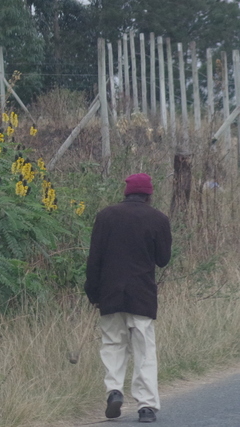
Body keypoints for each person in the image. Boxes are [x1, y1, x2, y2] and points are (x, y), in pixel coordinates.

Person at [84, 172, 172, 423]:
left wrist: (93, 292)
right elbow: (163, 259)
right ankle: (146, 407)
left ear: (126, 193)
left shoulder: (105, 216)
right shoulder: (158, 219)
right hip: (141, 295)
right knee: (144, 350)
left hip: (109, 293)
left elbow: (94, 259)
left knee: (112, 344)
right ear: (149, 195)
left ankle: (114, 391)